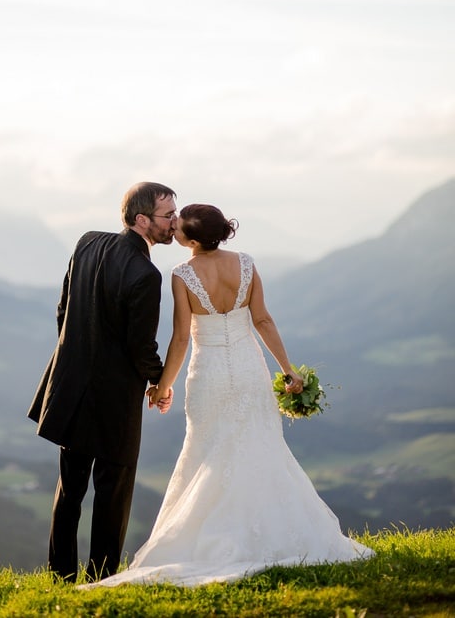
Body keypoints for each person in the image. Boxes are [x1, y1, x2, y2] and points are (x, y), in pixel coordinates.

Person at [88, 203, 374, 587]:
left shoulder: (182, 275)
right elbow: (263, 320)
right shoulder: (245, 263)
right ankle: (272, 535)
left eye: (178, 228)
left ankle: (210, 541)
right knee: (261, 447)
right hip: (249, 370)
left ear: (190, 239)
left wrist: (162, 386)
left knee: (207, 453)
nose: (173, 231)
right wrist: (288, 370)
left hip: (208, 377)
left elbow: (180, 338)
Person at [28, 181, 177, 582]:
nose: (175, 223)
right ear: (142, 220)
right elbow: (140, 345)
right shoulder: (146, 274)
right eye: (168, 216)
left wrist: (76, 356)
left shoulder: (87, 242)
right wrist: (160, 385)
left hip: (71, 387)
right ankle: (102, 579)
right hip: (113, 400)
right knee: (112, 493)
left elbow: (63, 309)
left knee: (69, 489)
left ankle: (59, 577)